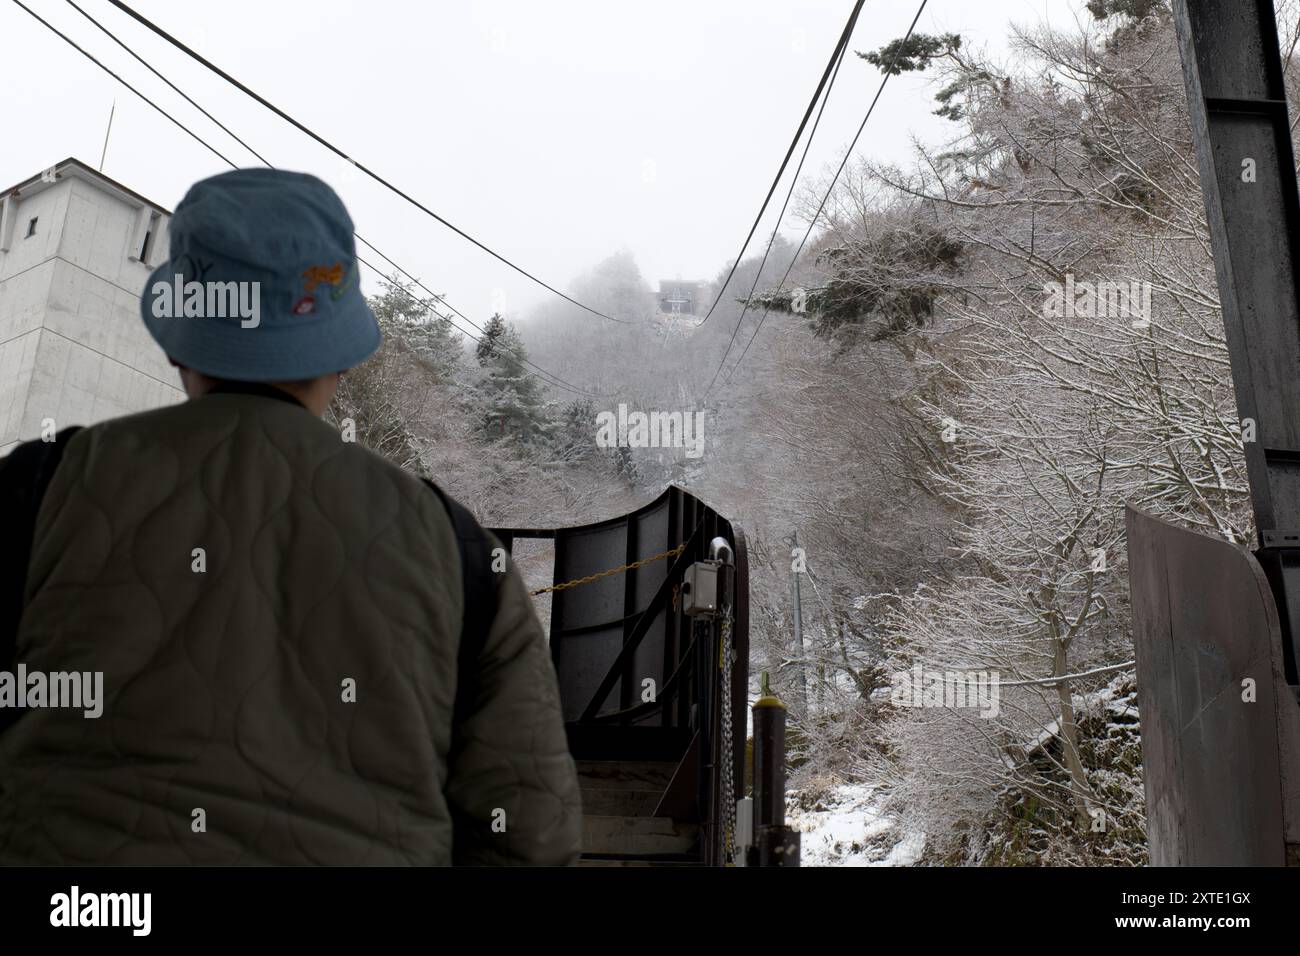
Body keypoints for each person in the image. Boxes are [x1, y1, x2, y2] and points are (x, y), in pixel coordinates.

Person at [0, 168, 582, 865]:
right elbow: (527, 835)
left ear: (178, 342)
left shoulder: (39, 490)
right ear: (339, 356)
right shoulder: (458, 552)